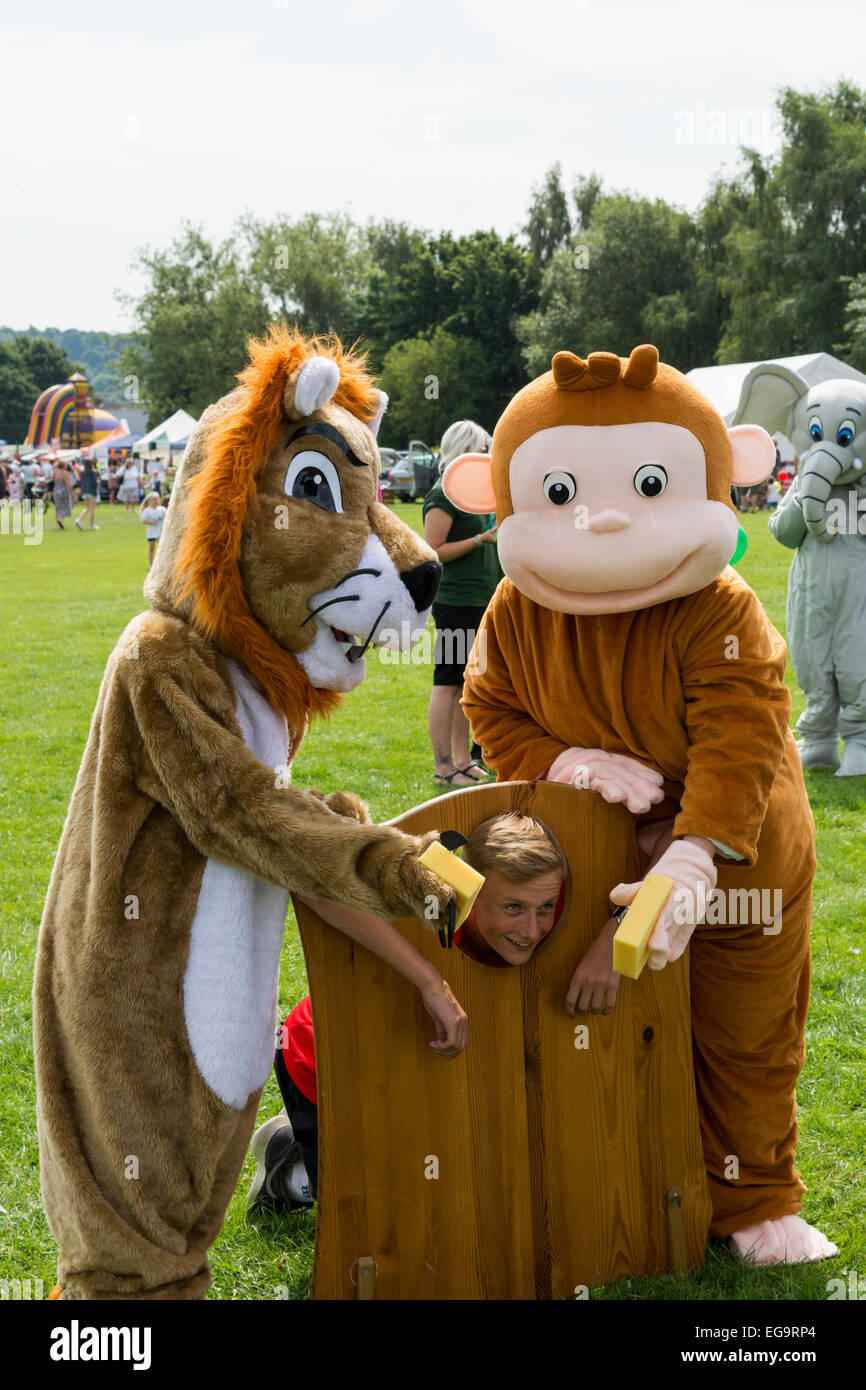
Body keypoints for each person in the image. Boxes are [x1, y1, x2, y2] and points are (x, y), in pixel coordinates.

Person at [248, 812, 568, 1212]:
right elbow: (310, 879)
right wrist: (430, 981)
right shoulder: (430, 905)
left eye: (547, 906)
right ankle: (288, 1165)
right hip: (323, 1063)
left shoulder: (546, 927)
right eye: (514, 907)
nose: (533, 929)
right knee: (365, 1204)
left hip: (417, 1075)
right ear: (466, 891)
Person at [423, 421, 501, 787]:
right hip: (456, 603)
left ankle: (462, 761)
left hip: (483, 602)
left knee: (468, 686)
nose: (486, 454)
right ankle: (443, 768)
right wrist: (480, 539)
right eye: (482, 447)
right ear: (465, 449)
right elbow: (433, 551)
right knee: (448, 682)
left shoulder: (480, 493)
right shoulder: (443, 495)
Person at [139, 490, 168, 569]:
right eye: (154, 499)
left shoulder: (162, 509)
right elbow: (143, 520)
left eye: (157, 499)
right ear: (150, 501)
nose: (156, 501)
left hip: (160, 531)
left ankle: (161, 564)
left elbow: (167, 517)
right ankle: (150, 564)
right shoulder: (147, 511)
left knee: (161, 548)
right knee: (152, 548)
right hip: (151, 532)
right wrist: (151, 522)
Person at [74, 459, 100, 530]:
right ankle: (92, 525)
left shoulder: (82, 473)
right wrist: (98, 481)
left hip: (84, 491)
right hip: (91, 491)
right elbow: (95, 482)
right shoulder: (93, 472)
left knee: (87, 508)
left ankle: (79, 519)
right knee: (92, 509)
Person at [52, 461, 74, 529]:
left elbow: (51, 480)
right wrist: (71, 492)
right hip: (64, 492)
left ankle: (59, 522)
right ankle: (60, 520)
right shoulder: (65, 473)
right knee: (65, 507)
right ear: (64, 465)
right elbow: (68, 484)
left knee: (58, 507)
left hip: (56, 491)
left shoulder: (55, 472)